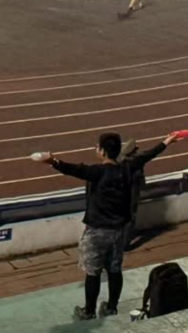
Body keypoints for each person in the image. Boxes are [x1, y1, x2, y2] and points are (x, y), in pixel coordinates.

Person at [35, 131, 178, 320]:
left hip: (96, 232)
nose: (96, 148)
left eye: (97, 146)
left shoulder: (97, 172)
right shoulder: (127, 168)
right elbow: (148, 155)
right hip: (118, 231)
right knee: (114, 269)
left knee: (93, 272)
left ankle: (89, 311)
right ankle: (111, 307)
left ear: (103, 151)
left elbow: (72, 169)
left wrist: (52, 161)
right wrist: (166, 141)